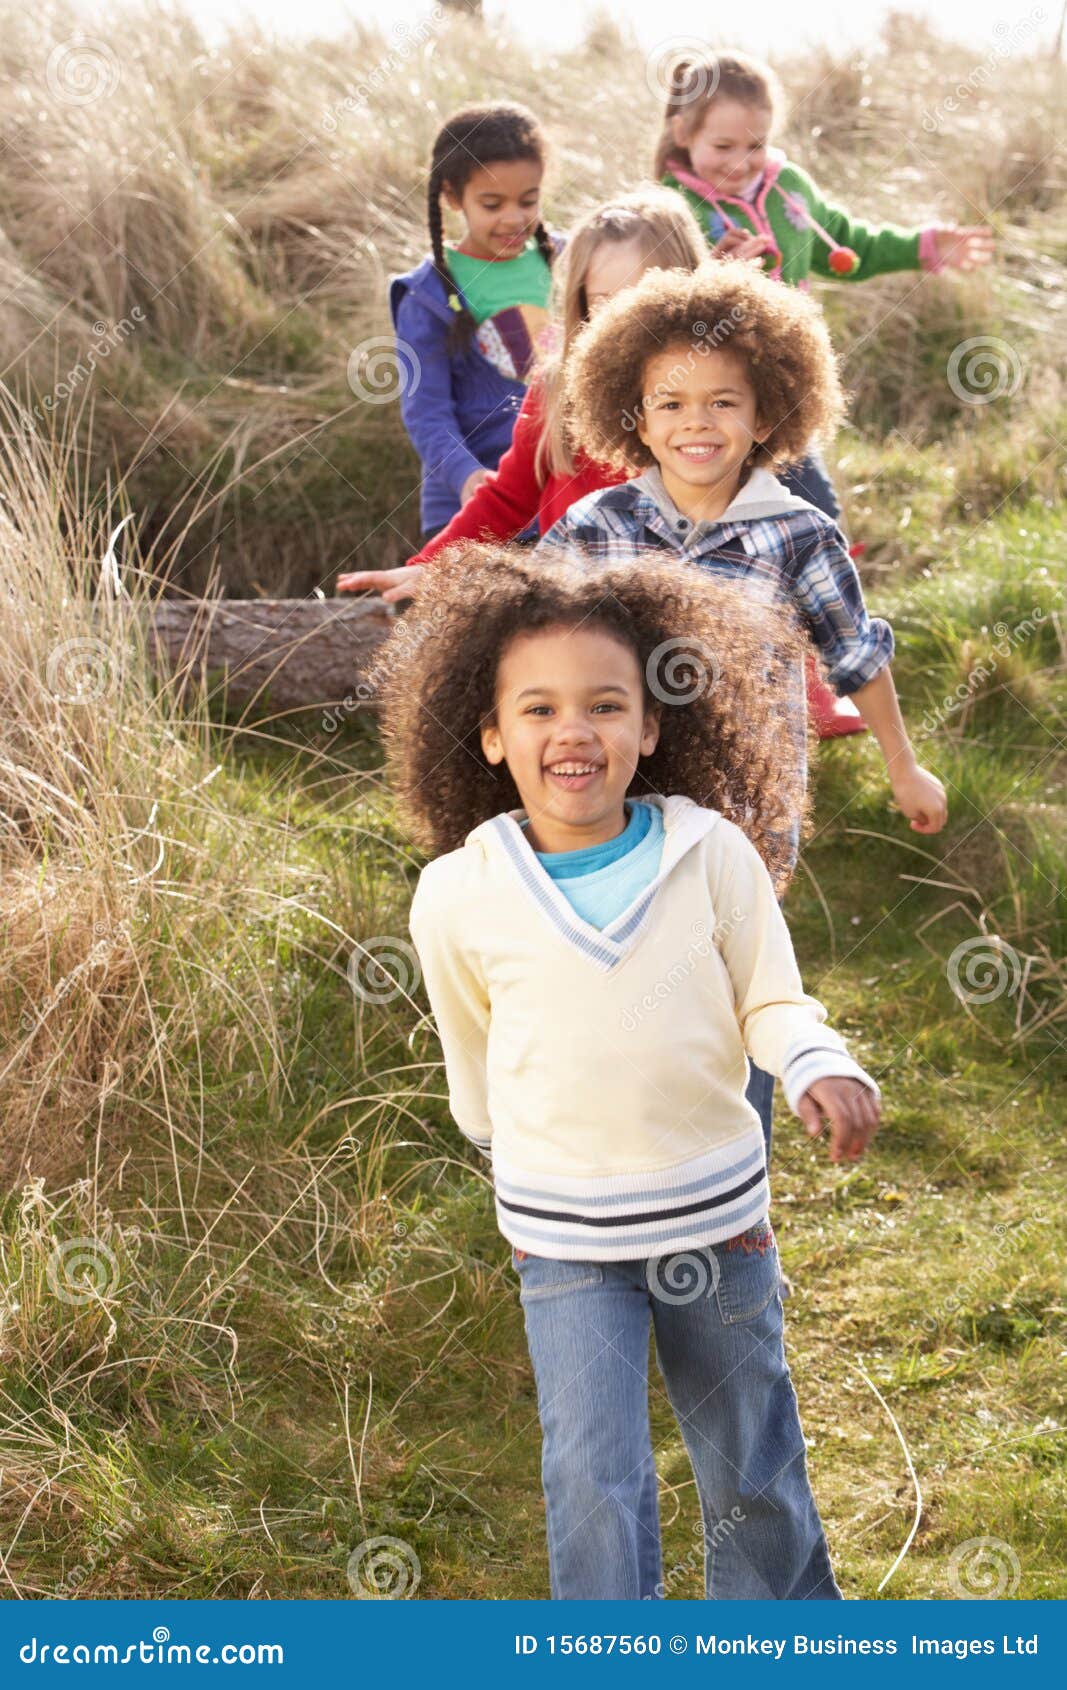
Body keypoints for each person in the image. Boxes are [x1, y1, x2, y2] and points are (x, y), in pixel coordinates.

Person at [371, 541, 882, 1599]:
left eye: (606, 705)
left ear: (650, 727)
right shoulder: (457, 894)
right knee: (592, 1475)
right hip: (563, 1242)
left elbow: (769, 1000)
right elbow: (473, 1066)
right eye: (539, 708)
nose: (573, 731)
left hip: (716, 1221)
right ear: (489, 735)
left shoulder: (710, 855)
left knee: (751, 1462)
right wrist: (523, 1165)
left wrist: (814, 1063)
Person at [537, 259, 949, 844]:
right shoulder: (595, 525)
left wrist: (902, 767)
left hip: (749, 804)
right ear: (640, 422)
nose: (696, 424)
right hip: (614, 802)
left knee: (735, 932)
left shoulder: (799, 536)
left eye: (723, 403)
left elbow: (856, 656)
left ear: (764, 415)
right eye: (670, 404)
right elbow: (526, 637)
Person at [654, 47, 994, 522]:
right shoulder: (669, 206)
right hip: (705, 396)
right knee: (712, 511)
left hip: (781, 387)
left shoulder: (790, 187)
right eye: (723, 147)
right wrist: (708, 276)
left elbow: (848, 246)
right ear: (683, 134)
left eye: (756, 146)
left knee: (814, 508)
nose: (741, 163)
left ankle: (824, 583)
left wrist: (923, 245)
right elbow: (651, 305)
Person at [338, 187, 706, 597]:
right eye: (604, 300)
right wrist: (433, 568)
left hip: (673, 602)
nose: (622, 318)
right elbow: (509, 497)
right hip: (571, 608)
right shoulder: (559, 387)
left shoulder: (712, 398)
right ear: (581, 303)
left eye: (641, 298)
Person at [387, 102, 562, 539]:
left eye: (529, 201)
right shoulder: (424, 296)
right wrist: (466, 476)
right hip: (471, 509)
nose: (514, 218)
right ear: (451, 197)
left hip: (561, 497)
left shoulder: (571, 260)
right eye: (491, 203)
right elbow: (425, 411)